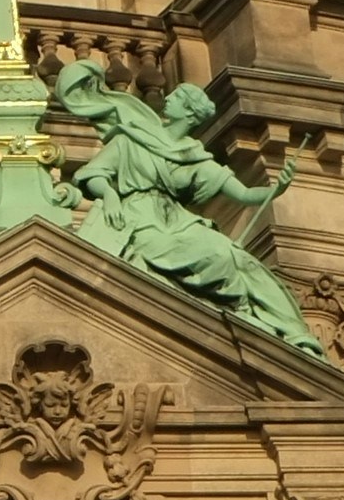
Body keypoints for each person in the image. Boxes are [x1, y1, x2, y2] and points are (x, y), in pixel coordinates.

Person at [53, 61, 320, 354]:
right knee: (203, 254)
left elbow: (243, 195)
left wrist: (276, 189)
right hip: (138, 222)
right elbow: (94, 174)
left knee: (234, 257)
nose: (167, 99)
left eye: (177, 98)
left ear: (189, 113)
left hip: (177, 222)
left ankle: (293, 336)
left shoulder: (195, 157)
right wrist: (111, 195)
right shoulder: (131, 139)